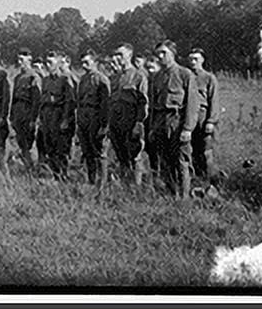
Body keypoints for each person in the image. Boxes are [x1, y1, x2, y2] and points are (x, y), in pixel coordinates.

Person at [151, 40, 200, 198]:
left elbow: (192, 104)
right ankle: (171, 194)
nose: (160, 56)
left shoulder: (185, 74)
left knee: (181, 161)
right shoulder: (157, 77)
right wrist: (152, 127)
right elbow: (153, 105)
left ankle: (184, 198)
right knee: (165, 161)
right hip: (161, 122)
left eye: (163, 53)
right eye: (158, 53)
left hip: (177, 122)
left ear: (173, 54)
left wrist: (187, 128)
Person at [108, 43, 149, 185]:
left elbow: (143, 103)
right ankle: (126, 184)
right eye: (116, 54)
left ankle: (136, 187)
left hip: (130, 121)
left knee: (135, 155)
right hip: (115, 121)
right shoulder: (116, 77)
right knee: (121, 155)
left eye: (121, 54)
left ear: (129, 56)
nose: (117, 57)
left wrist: (139, 123)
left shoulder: (138, 76)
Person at [38, 51, 76, 180]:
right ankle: (55, 175)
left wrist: (65, 120)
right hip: (47, 116)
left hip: (59, 115)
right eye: (46, 62)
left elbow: (69, 101)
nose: (47, 65)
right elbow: (42, 101)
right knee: (49, 147)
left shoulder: (65, 79)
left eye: (50, 62)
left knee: (61, 148)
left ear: (59, 63)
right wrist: (41, 119)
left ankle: (64, 175)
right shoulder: (45, 80)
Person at [75, 50, 111, 185]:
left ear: (95, 62)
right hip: (84, 118)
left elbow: (105, 105)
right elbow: (79, 102)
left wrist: (104, 125)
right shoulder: (83, 79)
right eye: (82, 63)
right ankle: (91, 180)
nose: (84, 65)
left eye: (87, 62)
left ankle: (101, 183)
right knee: (87, 152)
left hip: (96, 118)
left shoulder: (102, 79)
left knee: (99, 153)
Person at [188, 48, 220, 185]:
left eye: (196, 59)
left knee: (206, 151)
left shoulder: (209, 78)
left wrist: (211, 121)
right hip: (190, 117)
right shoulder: (187, 76)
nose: (193, 62)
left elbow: (214, 100)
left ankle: (212, 182)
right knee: (191, 150)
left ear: (202, 60)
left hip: (203, 116)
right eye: (190, 59)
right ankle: (196, 180)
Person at [10, 48, 41, 167]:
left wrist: (33, 119)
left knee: (29, 142)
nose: (19, 62)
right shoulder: (18, 77)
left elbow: (36, 100)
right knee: (20, 140)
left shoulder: (34, 77)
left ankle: (33, 167)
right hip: (18, 112)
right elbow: (14, 97)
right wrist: (12, 115)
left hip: (28, 111)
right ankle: (26, 166)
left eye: (22, 60)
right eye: (18, 59)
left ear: (29, 60)